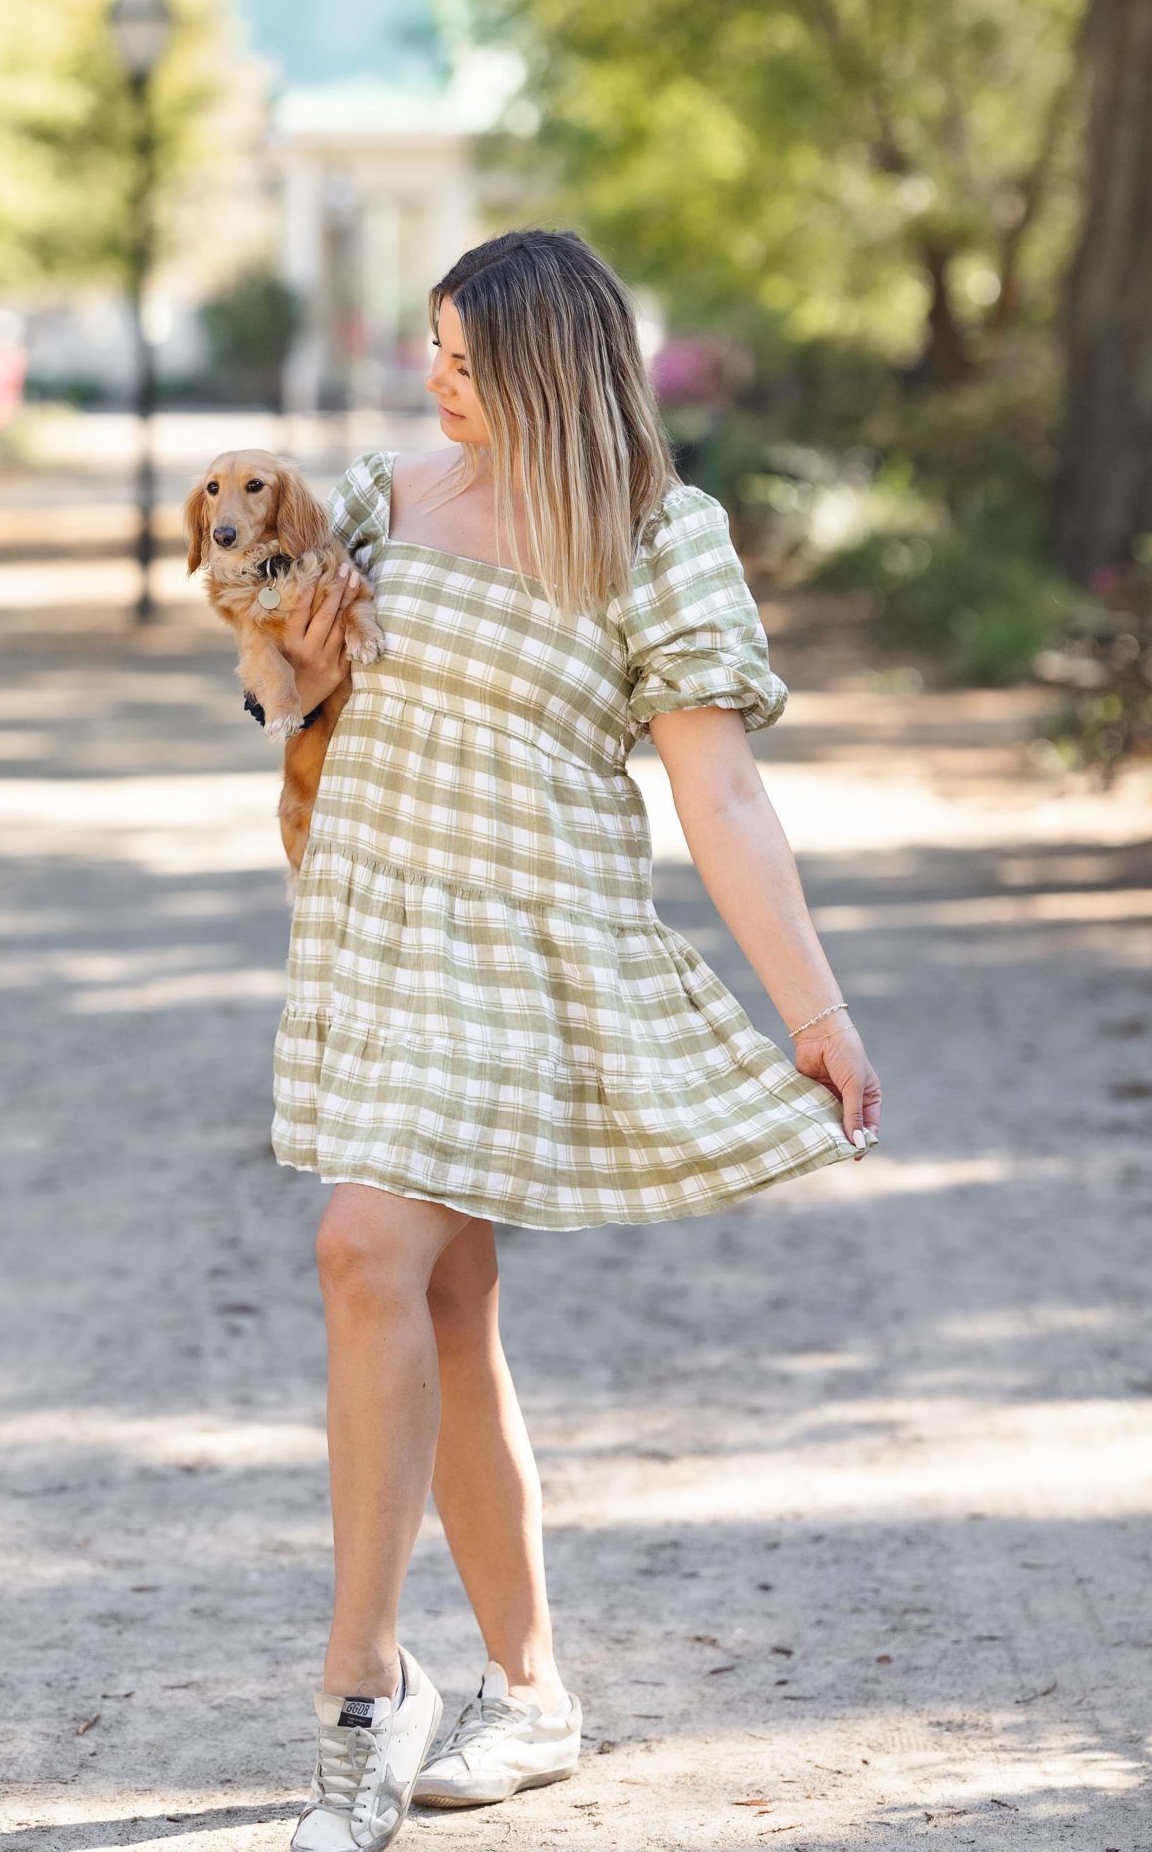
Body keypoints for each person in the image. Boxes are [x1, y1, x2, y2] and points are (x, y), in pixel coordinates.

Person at [248, 229, 882, 1852]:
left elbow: (720, 792)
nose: (435, 379)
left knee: (361, 1249)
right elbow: (286, 705)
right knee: (446, 1305)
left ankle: (362, 1693)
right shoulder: (381, 496)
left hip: (528, 952)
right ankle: (531, 1696)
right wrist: (294, 663)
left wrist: (813, 1010)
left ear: (549, 364)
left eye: (467, 359)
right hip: (378, 927)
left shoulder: (660, 536)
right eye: (432, 349)